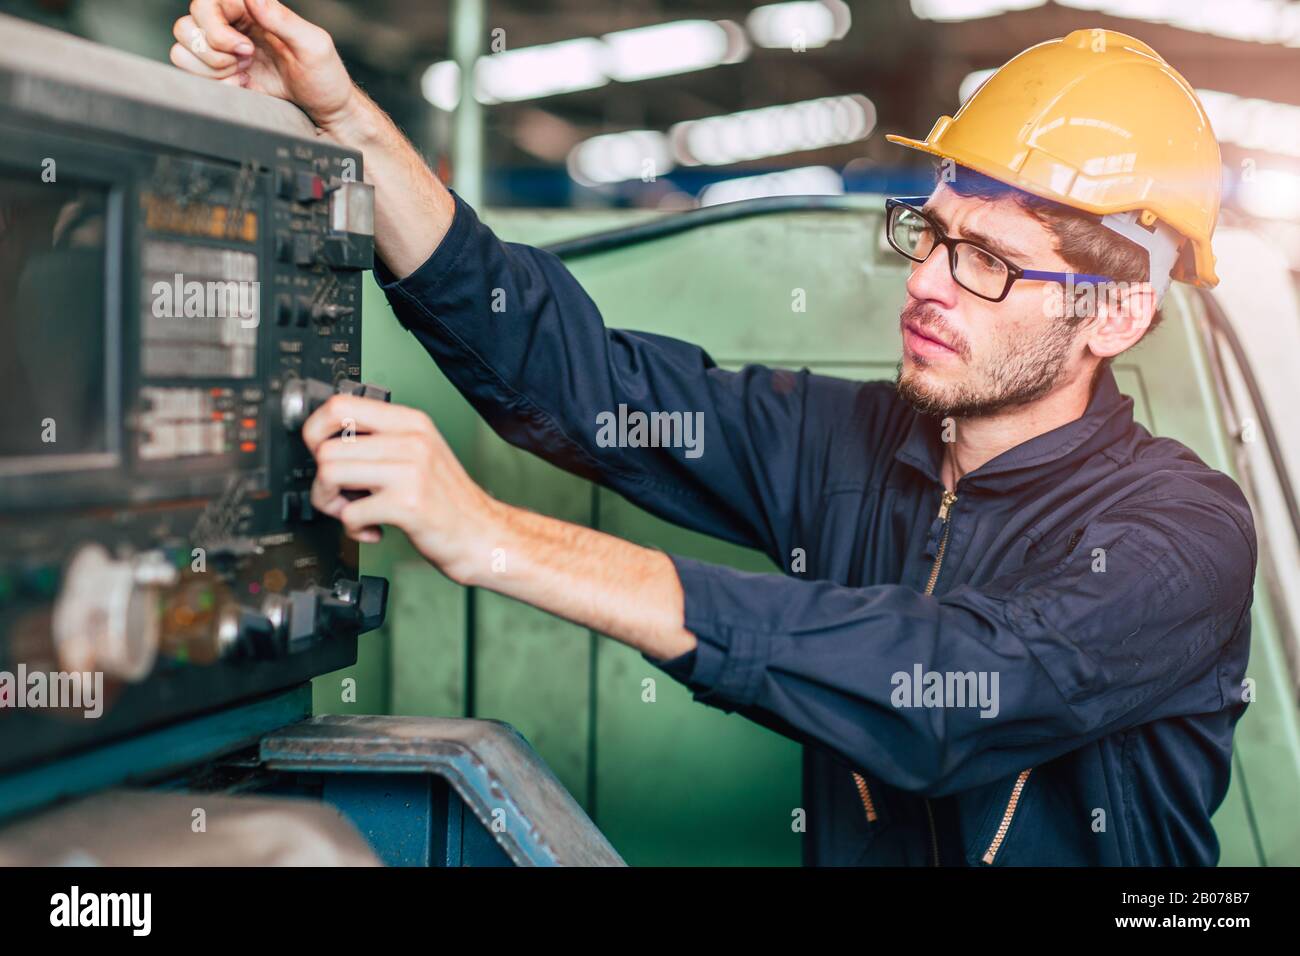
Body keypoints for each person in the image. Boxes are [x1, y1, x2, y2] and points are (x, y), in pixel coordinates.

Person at [170, 0, 1256, 865]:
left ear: (1114, 314)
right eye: (929, 234)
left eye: (989, 259)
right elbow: (572, 376)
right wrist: (344, 121)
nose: (926, 281)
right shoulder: (854, 445)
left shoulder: (1183, 535)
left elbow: (949, 684)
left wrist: (496, 537)